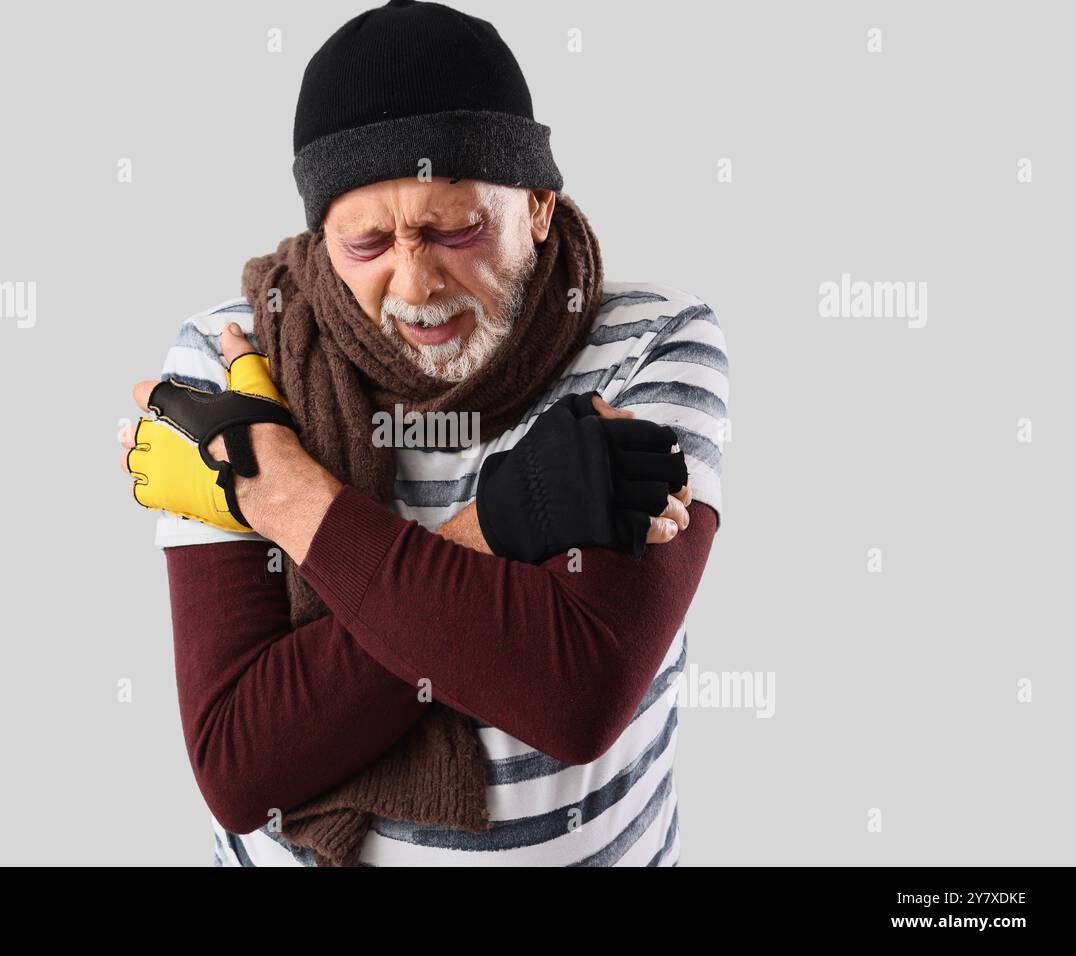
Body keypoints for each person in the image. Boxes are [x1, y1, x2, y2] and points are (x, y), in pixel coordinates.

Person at [120, 0, 729, 866]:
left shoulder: (654, 344)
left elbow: (577, 697)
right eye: (367, 244)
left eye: (457, 230)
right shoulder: (232, 361)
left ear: (541, 205)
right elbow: (238, 762)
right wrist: (504, 522)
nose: (415, 284)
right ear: (319, 235)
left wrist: (283, 499)